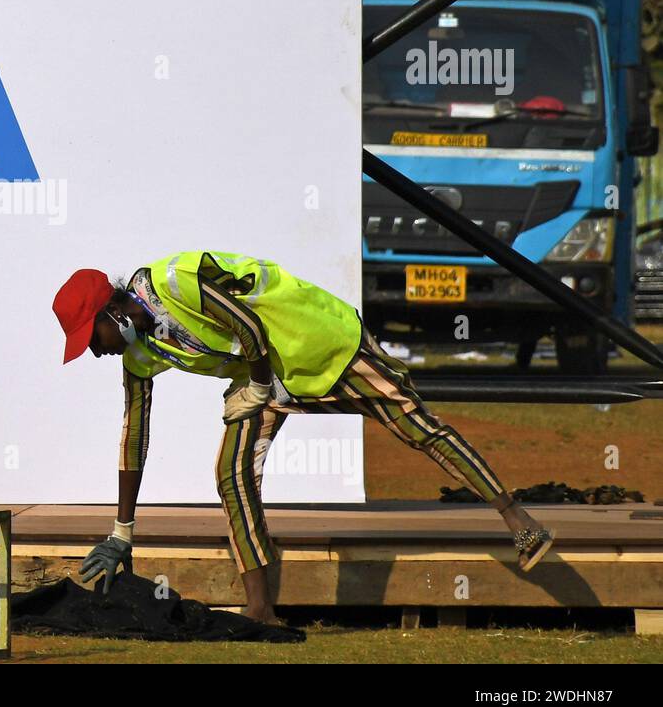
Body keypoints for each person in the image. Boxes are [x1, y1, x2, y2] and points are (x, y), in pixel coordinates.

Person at [52, 250, 555, 626]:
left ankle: (518, 518)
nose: (95, 354)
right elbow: (134, 434)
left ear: (113, 313)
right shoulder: (138, 354)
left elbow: (247, 325)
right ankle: (261, 608)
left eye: (91, 340)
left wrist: (255, 385)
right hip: (265, 376)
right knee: (231, 474)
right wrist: (122, 531)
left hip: (320, 344)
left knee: (415, 426)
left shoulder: (172, 282)